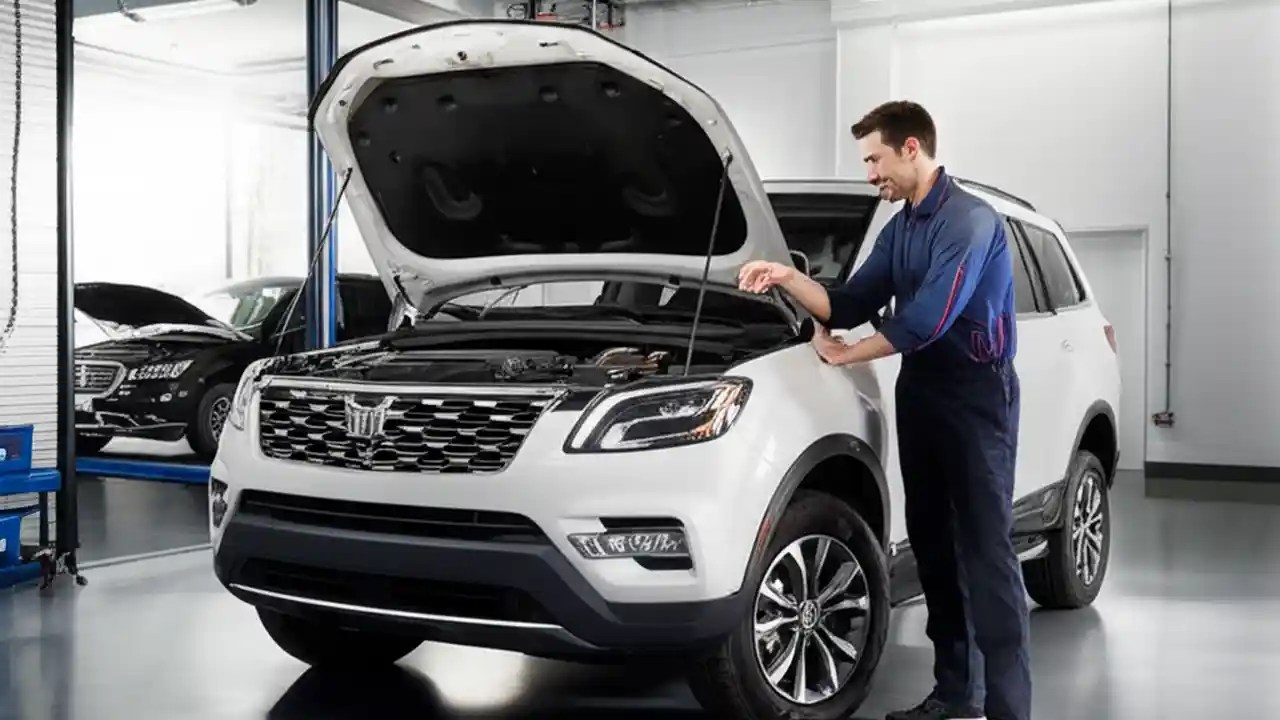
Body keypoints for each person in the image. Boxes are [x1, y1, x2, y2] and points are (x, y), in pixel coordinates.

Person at [738, 100, 1031, 720]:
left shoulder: (971, 222)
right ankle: (958, 695)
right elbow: (846, 304)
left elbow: (925, 321)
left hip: (978, 397)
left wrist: (844, 359)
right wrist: (785, 276)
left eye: (874, 159)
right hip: (922, 392)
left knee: (986, 553)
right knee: (931, 544)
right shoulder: (900, 230)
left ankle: (1009, 709)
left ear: (910, 149)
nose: (871, 174)